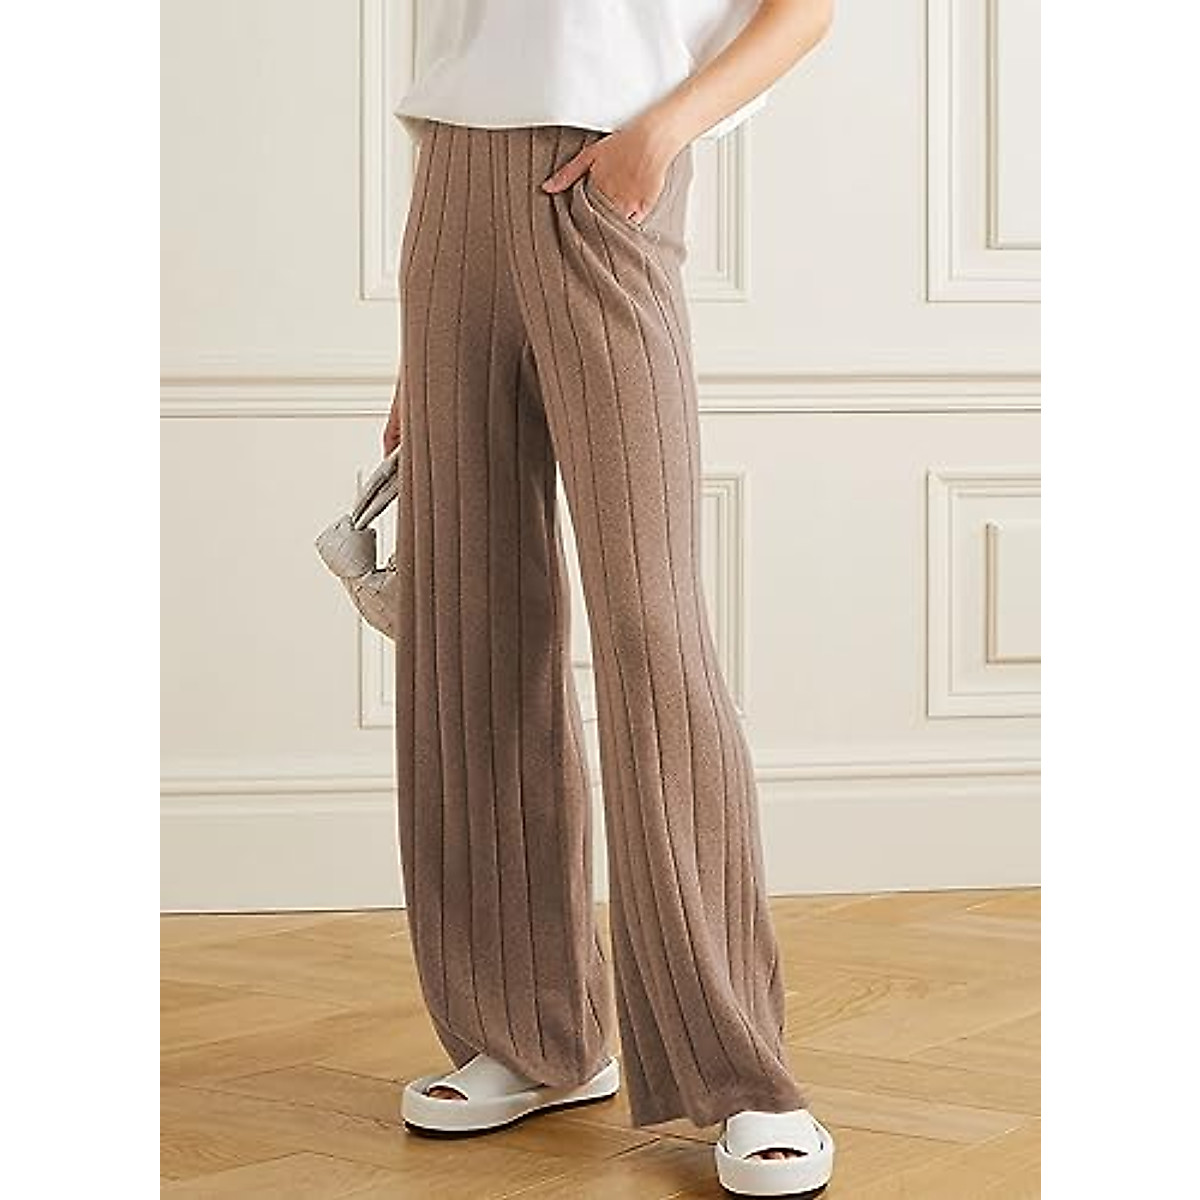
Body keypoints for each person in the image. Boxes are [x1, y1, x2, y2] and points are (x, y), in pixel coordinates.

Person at [381, 2, 836, 1194]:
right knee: (469, 621)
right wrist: (416, 346)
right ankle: (531, 1036)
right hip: (451, 182)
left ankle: (744, 1075)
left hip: (607, 172)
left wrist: (663, 132)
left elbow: (806, 10)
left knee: (650, 627)